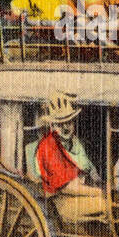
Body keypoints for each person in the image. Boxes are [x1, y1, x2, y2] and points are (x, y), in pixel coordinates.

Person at [26, 92, 106, 222]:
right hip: (63, 203)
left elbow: (90, 169)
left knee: (112, 200)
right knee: (107, 205)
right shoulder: (48, 147)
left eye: (68, 122)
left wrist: (101, 184)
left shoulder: (75, 142)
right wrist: (98, 192)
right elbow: (66, 188)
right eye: (59, 123)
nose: (65, 127)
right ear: (52, 125)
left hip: (80, 195)